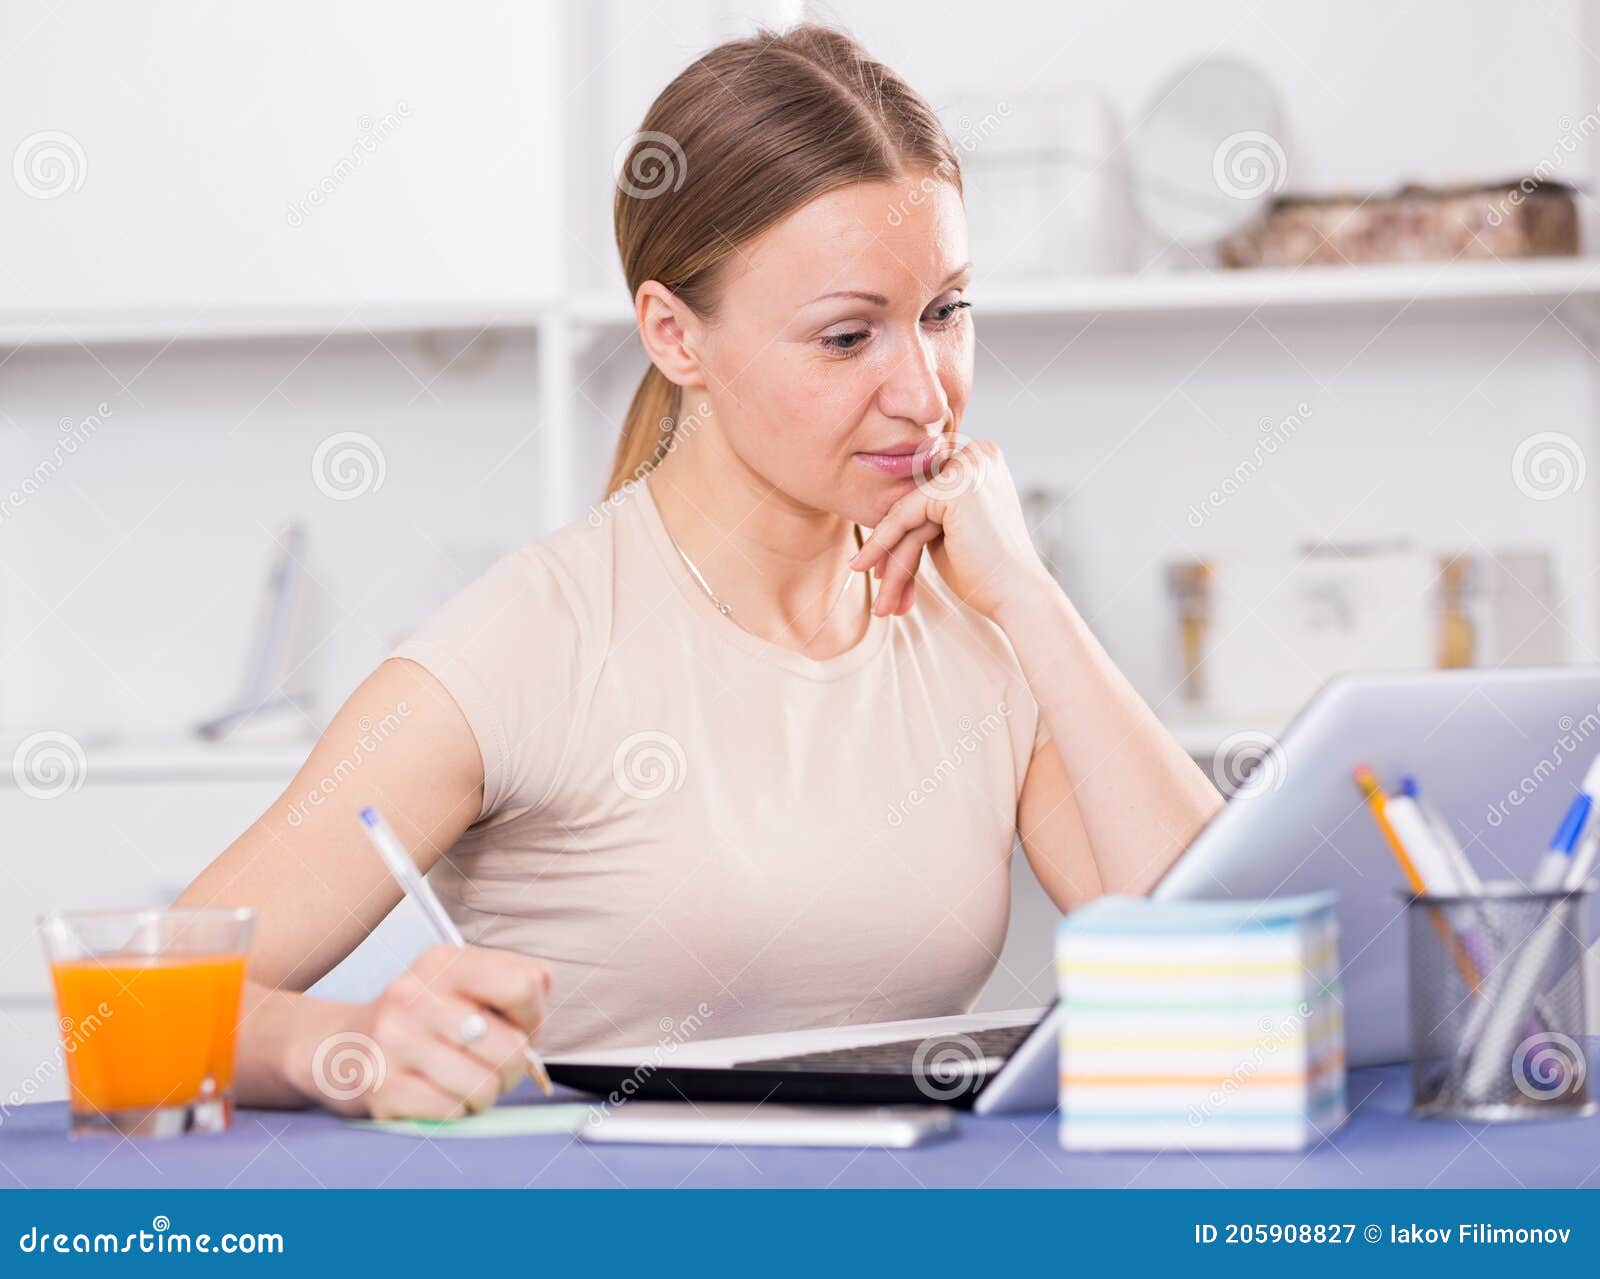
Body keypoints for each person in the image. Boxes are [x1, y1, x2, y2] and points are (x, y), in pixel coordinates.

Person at [177, 22, 1222, 1121]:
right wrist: (348, 1040)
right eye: (845, 336)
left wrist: (1034, 600)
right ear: (675, 336)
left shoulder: (988, 630)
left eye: (944, 311)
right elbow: (124, 1011)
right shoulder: (529, 641)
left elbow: (1230, 994)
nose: (926, 394)